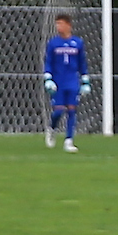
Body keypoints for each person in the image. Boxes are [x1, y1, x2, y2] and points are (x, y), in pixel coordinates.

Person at [43, 14, 90, 153]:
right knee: (58, 111)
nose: (58, 27)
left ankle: (69, 140)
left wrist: (85, 81)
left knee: (71, 109)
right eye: (57, 24)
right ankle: (52, 129)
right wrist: (48, 79)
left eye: (61, 24)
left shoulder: (78, 43)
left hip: (72, 81)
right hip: (58, 81)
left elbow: (82, 63)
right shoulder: (53, 43)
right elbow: (48, 62)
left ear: (68, 25)